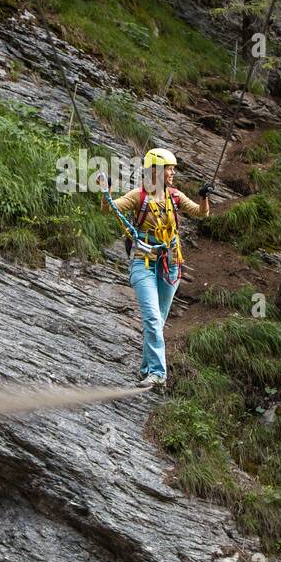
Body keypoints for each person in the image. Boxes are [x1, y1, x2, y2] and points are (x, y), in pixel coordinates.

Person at [97, 149, 213, 389]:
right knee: (152, 318)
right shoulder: (138, 196)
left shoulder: (175, 197)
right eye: (169, 169)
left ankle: (147, 369)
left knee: (157, 322)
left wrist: (203, 197)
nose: (172, 173)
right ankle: (158, 374)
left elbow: (202, 213)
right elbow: (108, 208)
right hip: (143, 262)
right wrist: (105, 191)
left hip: (170, 265)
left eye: (172, 169)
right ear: (155, 172)